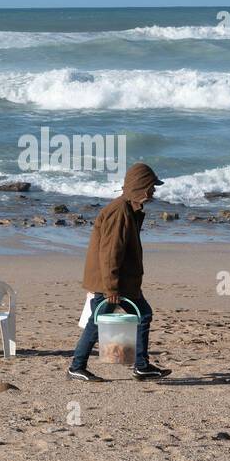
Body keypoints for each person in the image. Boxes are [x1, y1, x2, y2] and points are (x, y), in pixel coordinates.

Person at [67, 162, 171, 382]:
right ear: (141, 186)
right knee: (107, 321)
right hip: (113, 283)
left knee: (134, 316)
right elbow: (110, 253)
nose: (154, 191)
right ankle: (78, 366)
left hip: (121, 281)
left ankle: (140, 366)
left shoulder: (129, 209)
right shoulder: (119, 211)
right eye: (152, 186)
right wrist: (111, 288)